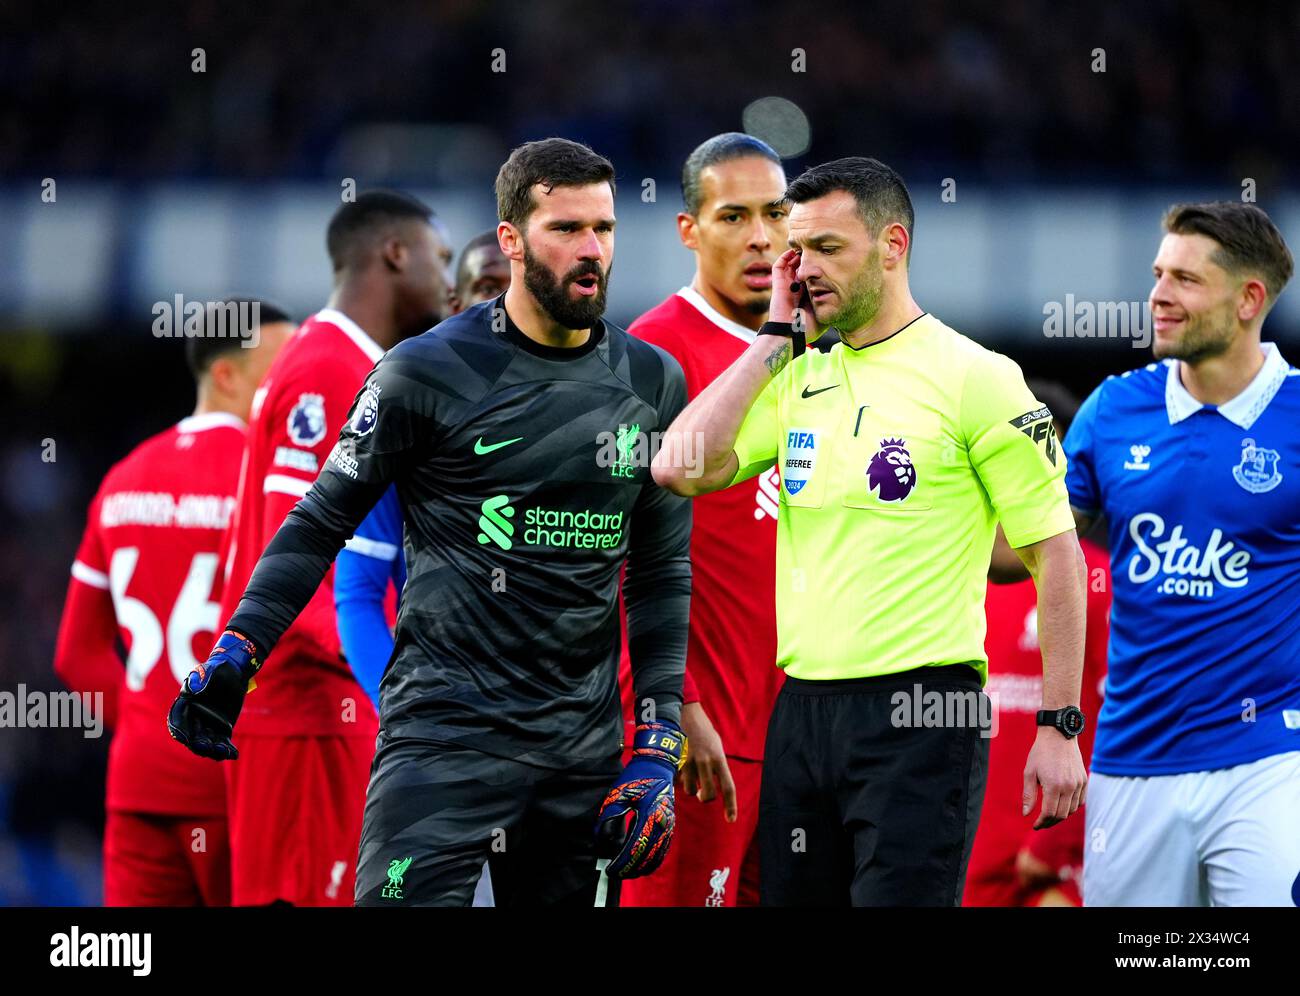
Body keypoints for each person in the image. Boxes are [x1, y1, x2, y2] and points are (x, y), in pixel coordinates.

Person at [170, 138, 692, 907]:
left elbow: (659, 575)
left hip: (579, 756)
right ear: (511, 240)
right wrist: (240, 648)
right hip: (442, 740)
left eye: (603, 230)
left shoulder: (652, 382)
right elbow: (320, 520)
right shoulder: (424, 371)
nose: (591, 252)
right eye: (566, 229)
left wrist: (656, 745)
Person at [653, 156, 1089, 906]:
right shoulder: (798, 375)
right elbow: (678, 467)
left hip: (920, 714)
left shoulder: (976, 377)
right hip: (802, 712)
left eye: (827, 249)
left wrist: (1059, 725)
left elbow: (1057, 557)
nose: (804, 267)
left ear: (893, 245)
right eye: (798, 251)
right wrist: (771, 339)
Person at [211, 191, 455, 906]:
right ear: (394, 253)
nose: (447, 281)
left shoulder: (356, 364)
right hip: (302, 709)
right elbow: (292, 555)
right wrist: (396, 665)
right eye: (440, 259)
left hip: (326, 702)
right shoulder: (326, 367)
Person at [1064, 202, 1300, 906]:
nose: (1158, 297)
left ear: (1249, 299)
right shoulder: (1112, 408)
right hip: (1132, 756)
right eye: (1158, 275)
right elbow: (1026, 553)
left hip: (1270, 758)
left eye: (1186, 281)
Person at [53, 298, 293, 905]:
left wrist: (152, 725)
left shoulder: (122, 478)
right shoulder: (271, 478)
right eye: (282, 365)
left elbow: (76, 655)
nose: (298, 384)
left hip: (139, 789)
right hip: (238, 787)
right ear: (226, 375)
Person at [618, 132, 787, 908]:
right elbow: (609, 554)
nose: (761, 237)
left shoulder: (814, 355)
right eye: (734, 216)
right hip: (694, 735)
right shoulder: (652, 354)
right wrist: (671, 707)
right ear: (689, 229)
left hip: (792, 736)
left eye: (776, 213)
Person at [333, 230, 512, 907]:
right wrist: (404, 719)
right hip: (442, 742)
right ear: (451, 300)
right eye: (486, 287)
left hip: (559, 747)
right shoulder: (406, 421)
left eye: (514, 286)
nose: (504, 304)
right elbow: (355, 595)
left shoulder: (590, 417)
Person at [963, 382, 1109, 907]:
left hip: (1044, 869)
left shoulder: (1098, 584)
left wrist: (1060, 844)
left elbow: (1118, 720)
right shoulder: (957, 575)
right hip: (957, 857)